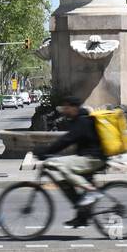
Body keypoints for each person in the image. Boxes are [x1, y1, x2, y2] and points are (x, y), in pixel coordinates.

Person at [34, 95, 105, 227]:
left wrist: (46, 151)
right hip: (89, 157)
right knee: (65, 180)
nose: (65, 110)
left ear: (74, 108)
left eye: (67, 107)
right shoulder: (80, 119)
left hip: (93, 158)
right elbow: (67, 140)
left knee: (60, 164)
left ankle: (91, 191)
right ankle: (82, 217)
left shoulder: (82, 121)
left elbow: (66, 140)